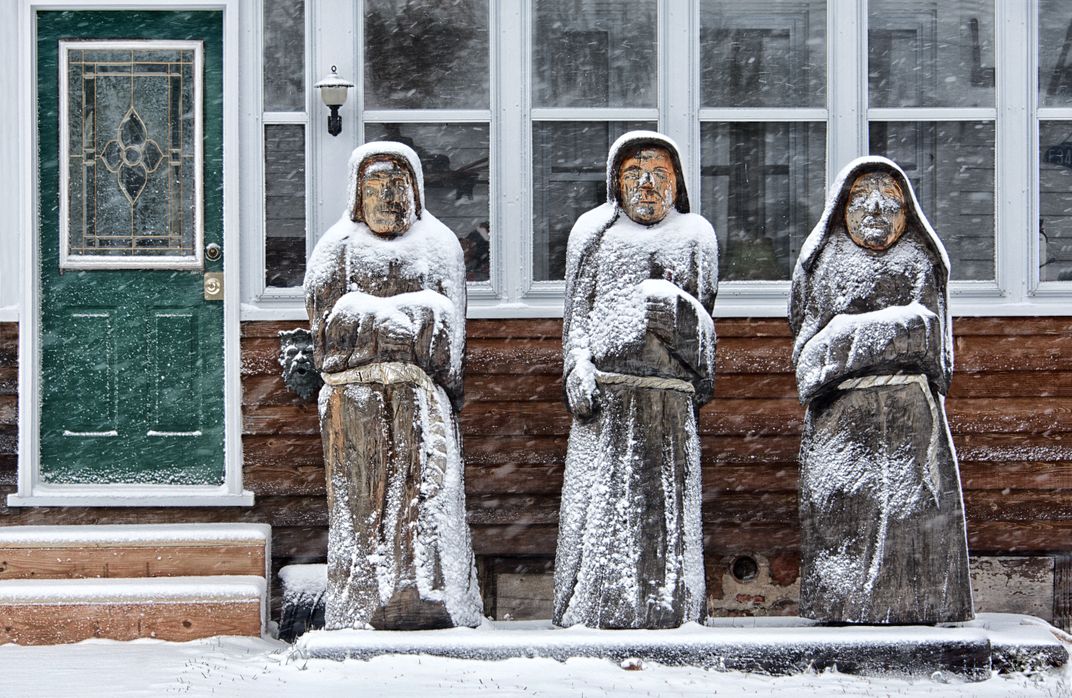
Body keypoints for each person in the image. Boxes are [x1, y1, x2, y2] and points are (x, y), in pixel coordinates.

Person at [304, 142, 482, 630]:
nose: (387, 197)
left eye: (397, 185)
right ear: (357, 196)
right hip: (356, 405)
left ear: (415, 191)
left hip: (419, 401)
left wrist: (421, 321)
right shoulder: (336, 248)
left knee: (422, 499)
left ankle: (426, 593)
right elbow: (324, 335)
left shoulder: (438, 245)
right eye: (374, 187)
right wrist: (373, 322)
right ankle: (362, 600)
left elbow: (453, 331)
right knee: (364, 501)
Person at [789, 156, 973, 624]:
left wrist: (877, 338)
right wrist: (886, 333)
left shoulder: (920, 262)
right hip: (843, 425)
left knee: (917, 515)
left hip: (913, 424)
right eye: (861, 198)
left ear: (908, 210)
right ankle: (842, 606)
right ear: (839, 208)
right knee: (843, 517)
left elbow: (938, 354)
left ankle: (919, 603)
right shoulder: (823, 265)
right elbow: (807, 364)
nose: (875, 209)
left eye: (890, 199)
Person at [554, 131, 719, 629]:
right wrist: (577, 368)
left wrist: (676, 317)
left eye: (660, 175)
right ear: (615, 182)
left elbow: (707, 324)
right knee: (602, 515)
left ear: (677, 183)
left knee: (662, 512)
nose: (647, 185)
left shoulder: (695, 236)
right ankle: (595, 607)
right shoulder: (594, 234)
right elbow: (576, 318)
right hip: (609, 402)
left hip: (666, 405)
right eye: (633, 174)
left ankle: (667, 606)